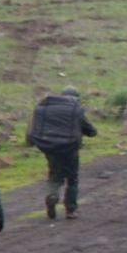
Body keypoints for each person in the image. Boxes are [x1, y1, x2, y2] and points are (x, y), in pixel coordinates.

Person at [28, 86, 96, 220]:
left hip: (51, 148)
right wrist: (92, 132)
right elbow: (89, 129)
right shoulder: (76, 109)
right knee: (72, 179)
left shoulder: (47, 108)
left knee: (54, 175)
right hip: (70, 150)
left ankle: (52, 195)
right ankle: (70, 210)